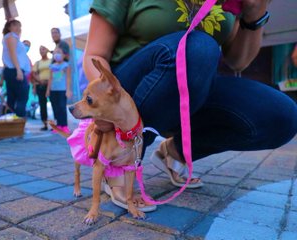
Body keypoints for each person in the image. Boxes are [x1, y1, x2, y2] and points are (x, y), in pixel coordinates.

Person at [82, 0, 297, 209]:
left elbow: (238, 61)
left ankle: (175, 151)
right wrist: (106, 105)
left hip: (193, 88)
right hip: (129, 89)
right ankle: (118, 157)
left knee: (282, 117)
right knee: (199, 47)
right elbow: (95, 54)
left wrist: (254, 14)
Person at [1, 20, 31, 117]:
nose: (18, 28)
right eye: (15, 25)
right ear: (9, 27)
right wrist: (18, 70)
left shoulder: (11, 38)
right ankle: (18, 121)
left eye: (19, 26)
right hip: (15, 70)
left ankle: (11, 123)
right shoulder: (11, 36)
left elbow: (7, 58)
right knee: (22, 97)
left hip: (11, 70)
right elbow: (12, 53)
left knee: (12, 98)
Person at [46, 47, 73, 134]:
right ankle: (58, 126)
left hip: (62, 90)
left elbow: (68, 78)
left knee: (62, 107)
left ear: (64, 55)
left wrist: (68, 90)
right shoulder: (52, 66)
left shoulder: (66, 65)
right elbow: (50, 78)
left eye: (59, 52)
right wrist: (48, 90)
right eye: (55, 52)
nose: (56, 54)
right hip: (53, 90)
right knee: (55, 108)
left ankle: (64, 126)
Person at [32, 45, 52, 130]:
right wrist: (39, 82)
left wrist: (50, 51)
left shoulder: (52, 61)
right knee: (42, 105)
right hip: (41, 85)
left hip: (51, 84)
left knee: (54, 104)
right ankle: (45, 124)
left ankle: (55, 124)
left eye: (43, 49)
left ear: (47, 50)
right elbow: (34, 74)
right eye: (40, 50)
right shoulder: (37, 63)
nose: (41, 51)